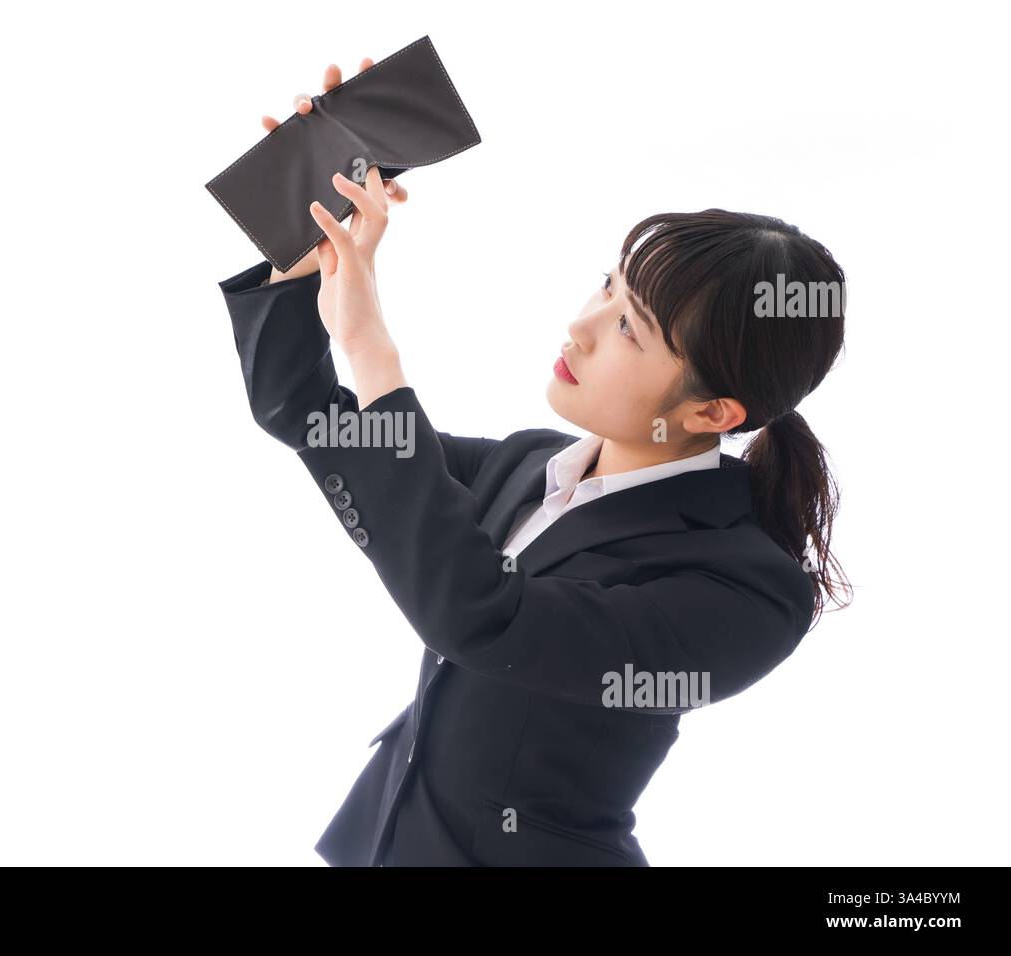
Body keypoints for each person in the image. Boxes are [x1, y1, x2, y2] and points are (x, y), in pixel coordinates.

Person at [218, 59, 851, 866]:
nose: (581, 329)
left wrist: (373, 350)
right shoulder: (530, 468)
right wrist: (304, 253)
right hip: (387, 841)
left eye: (630, 329)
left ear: (713, 413)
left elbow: (485, 619)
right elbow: (309, 420)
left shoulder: (747, 589)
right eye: (607, 289)